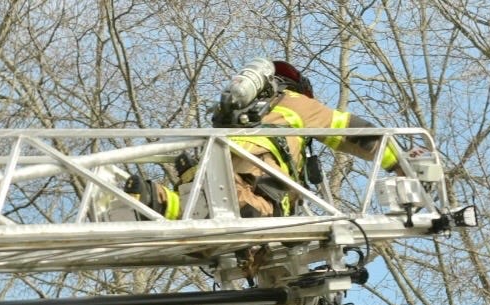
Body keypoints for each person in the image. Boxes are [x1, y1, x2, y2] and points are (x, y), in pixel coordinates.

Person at [130, 58, 400, 220]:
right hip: (258, 176)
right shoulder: (297, 102)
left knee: (197, 217)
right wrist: (400, 161)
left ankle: (156, 199)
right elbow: (351, 132)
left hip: (211, 175)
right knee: (255, 218)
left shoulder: (238, 115)